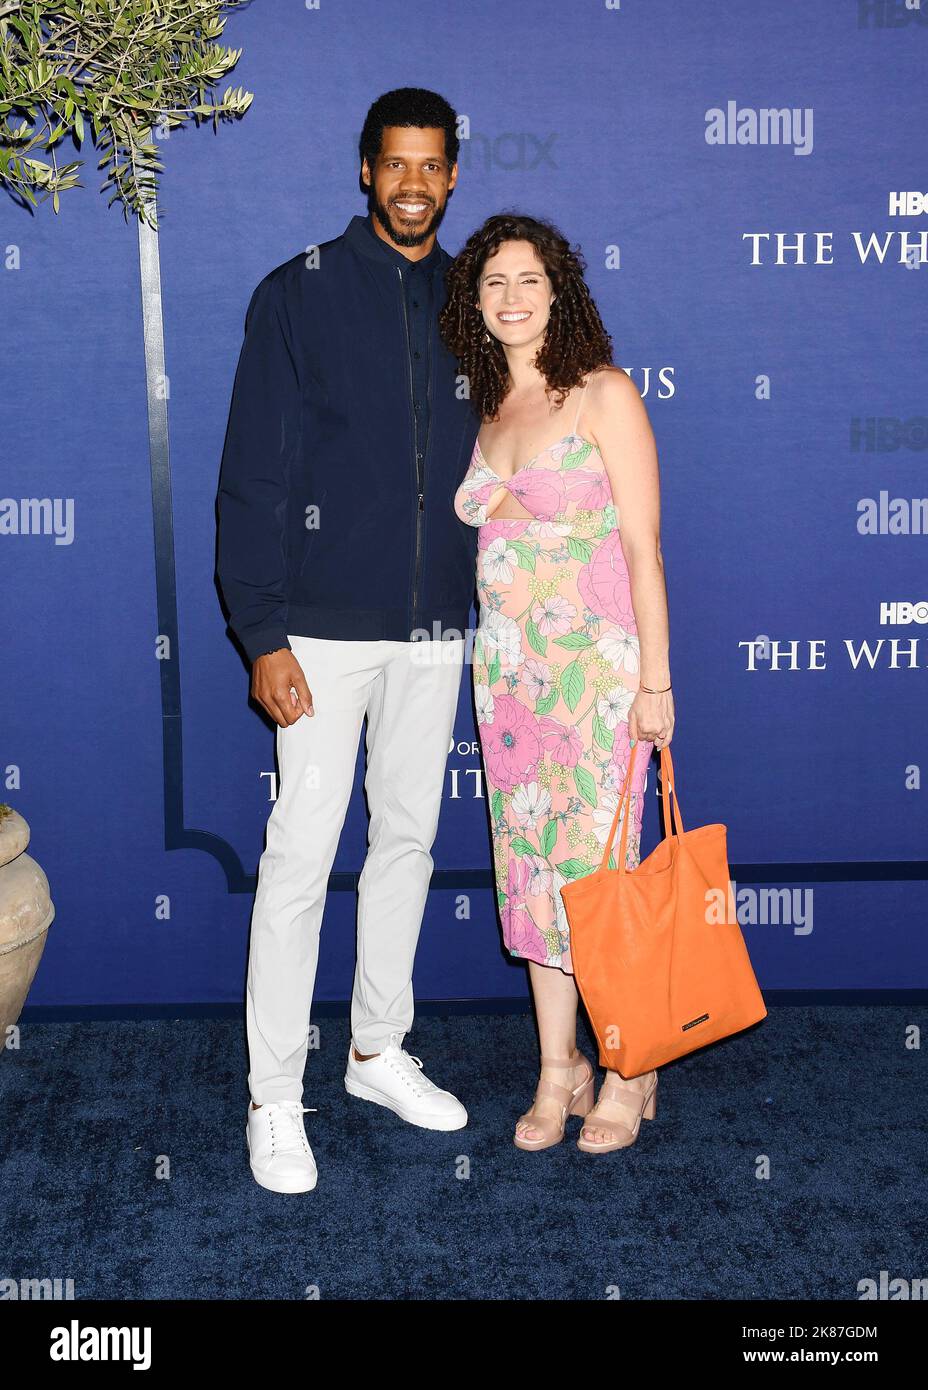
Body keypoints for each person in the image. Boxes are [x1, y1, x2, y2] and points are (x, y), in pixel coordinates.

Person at [216, 88, 480, 1194]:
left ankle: (375, 1050)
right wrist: (261, 632)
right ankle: (275, 1097)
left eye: (432, 166)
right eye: (395, 165)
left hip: (434, 634)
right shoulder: (297, 294)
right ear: (365, 172)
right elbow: (252, 479)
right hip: (317, 635)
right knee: (297, 862)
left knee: (408, 845)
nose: (413, 183)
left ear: (451, 175)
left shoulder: (479, 296)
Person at [441, 214, 675, 1154]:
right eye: (493, 282)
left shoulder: (604, 394)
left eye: (528, 280)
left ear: (560, 289)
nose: (511, 297)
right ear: (476, 301)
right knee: (535, 882)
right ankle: (558, 1069)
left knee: (603, 879)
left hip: (599, 680)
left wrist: (655, 683)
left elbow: (641, 547)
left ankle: (632, 1067)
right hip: (510, 688)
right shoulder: (492, 406)